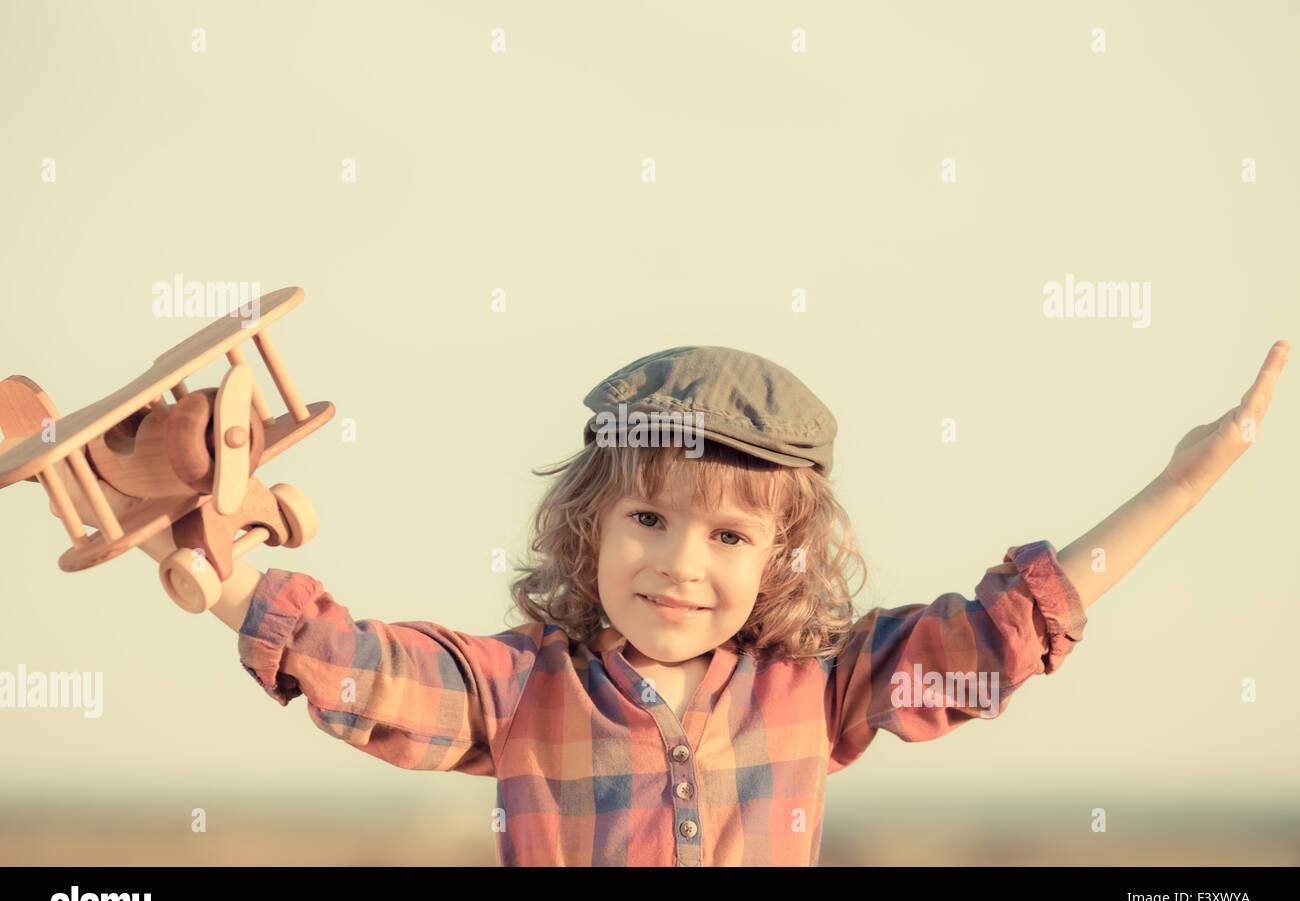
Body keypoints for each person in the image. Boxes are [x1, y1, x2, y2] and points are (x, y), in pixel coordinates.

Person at [63, 340, 1290, 865]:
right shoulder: (521, 690)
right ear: (588, 522)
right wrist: (216, 576)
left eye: (728, 532)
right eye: (646, 517)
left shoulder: (822, 689)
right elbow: (357, 667)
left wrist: (1183, 482)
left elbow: (1003, 633)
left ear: (780, 557)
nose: (679, 565)